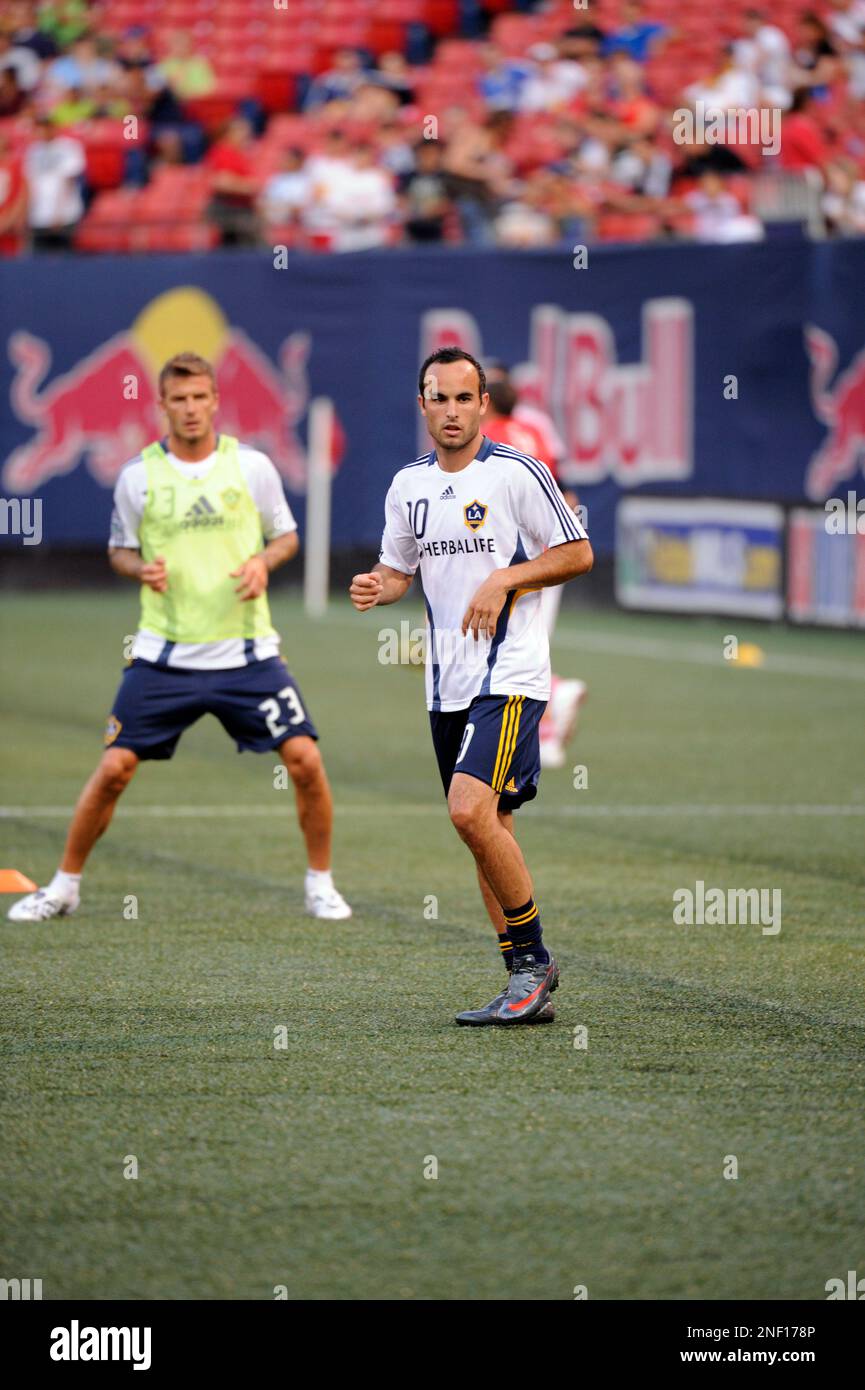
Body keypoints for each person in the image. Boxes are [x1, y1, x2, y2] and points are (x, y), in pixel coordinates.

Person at [9, 352, 351, 925]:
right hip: (163, 657)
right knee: (115, 768)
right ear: (161, 405)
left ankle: (321, 882)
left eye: (200, 398)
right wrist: (137, 568)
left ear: (216, 401)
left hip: (247, 655)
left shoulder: (253, 467)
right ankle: (64, 886)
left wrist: (265, 562)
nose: (191, 409)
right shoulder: (138, 476)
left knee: (304, 759)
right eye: (179, 399)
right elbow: (118, 549)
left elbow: (286, 536)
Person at [349, 348, 593, 1025]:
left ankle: (533, 963)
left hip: (509, 675)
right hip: (445, 685)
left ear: (484, 404)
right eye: (439, 398)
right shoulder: (407, 486)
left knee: (466, 810)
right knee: (486, 825)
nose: (451, 410)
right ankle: (520, 981)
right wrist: (381, 585)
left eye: (464, 398)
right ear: (421, 405)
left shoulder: (518, 473)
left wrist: (503, 578)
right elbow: (399, 567)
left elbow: (576, 552)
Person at [481, 376, 588, 768]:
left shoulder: (485, 437)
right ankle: (544, 720)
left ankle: (550, 710)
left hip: (511, 558)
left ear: (485, 403)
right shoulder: (532, 434)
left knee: (502, 650)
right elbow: (564, 492)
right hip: (550, 555)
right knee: (523, 646)